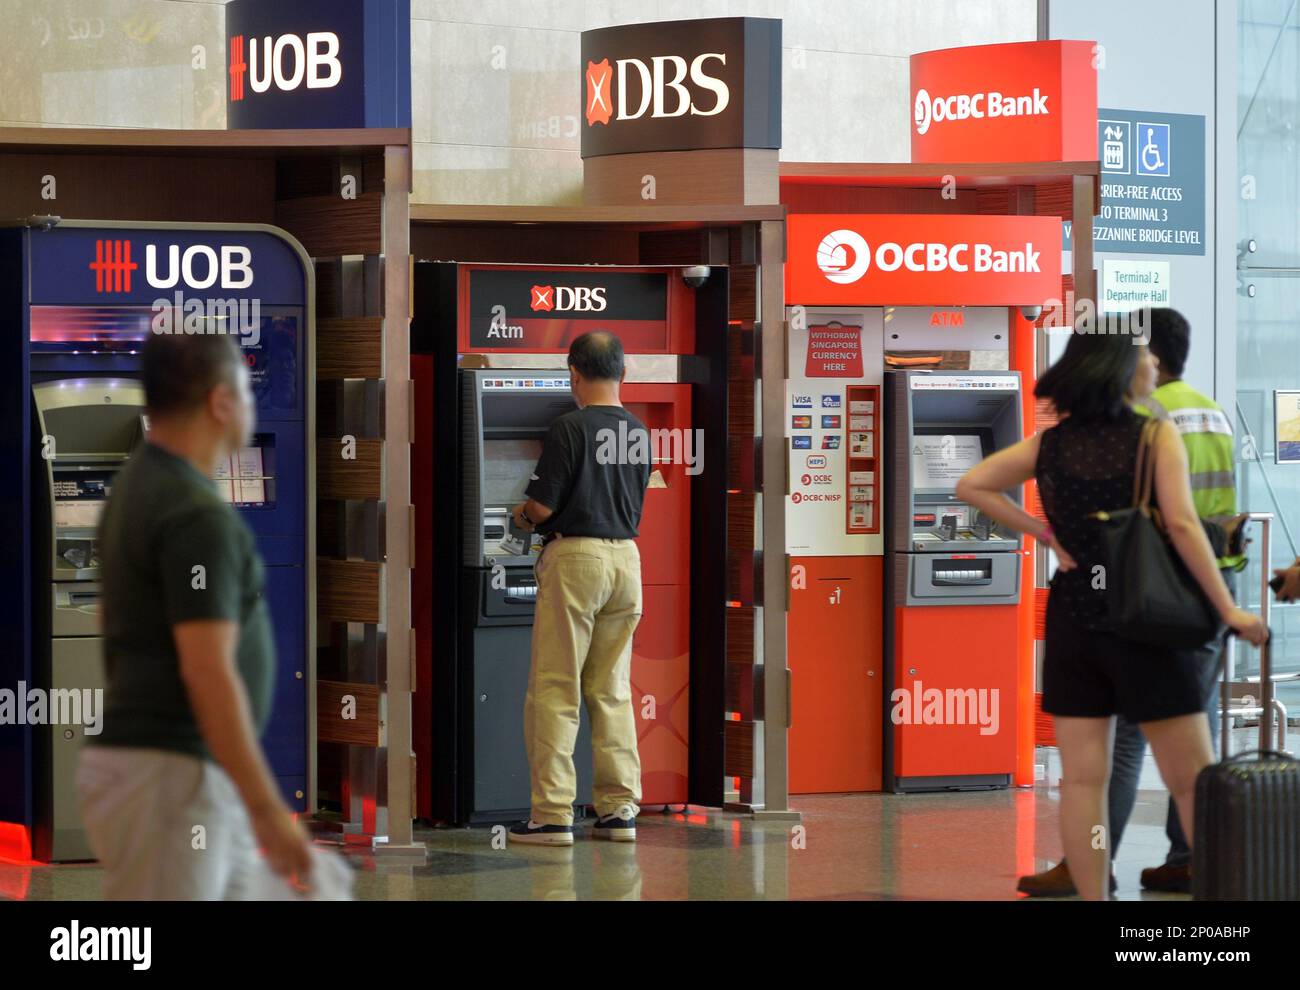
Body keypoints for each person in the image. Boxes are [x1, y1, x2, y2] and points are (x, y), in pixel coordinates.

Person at [956, 331, 1266, 901]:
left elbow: (972, 484)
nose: (1151, 362)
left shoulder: (1048, 445)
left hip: (1075, 621)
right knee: (1193, 782)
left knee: (1083, 782)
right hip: (1149, 623)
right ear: (1122, 371)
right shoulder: (1153, 436)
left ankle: (1095, 895)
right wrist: (1228, 608)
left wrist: (1045, 534)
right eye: (1141, 355)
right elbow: (1181, 526)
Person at [78, 330, 313, 899]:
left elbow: (112, 616)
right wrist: (268, 811)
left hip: (169, 771)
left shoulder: (136, 486)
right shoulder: (193, 512)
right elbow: (207, 670)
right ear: (221, 401)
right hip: (173, 778)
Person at [507, 331, 650, 845]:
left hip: (577, 560)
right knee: (611, 691)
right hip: (627, 560)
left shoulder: (569, 427)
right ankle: (618, 810)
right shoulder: (639, 429)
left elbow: (541, 507)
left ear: (574, 372)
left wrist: (519, 518)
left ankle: (551, 815)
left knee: (554, 687)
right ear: (623, 372)